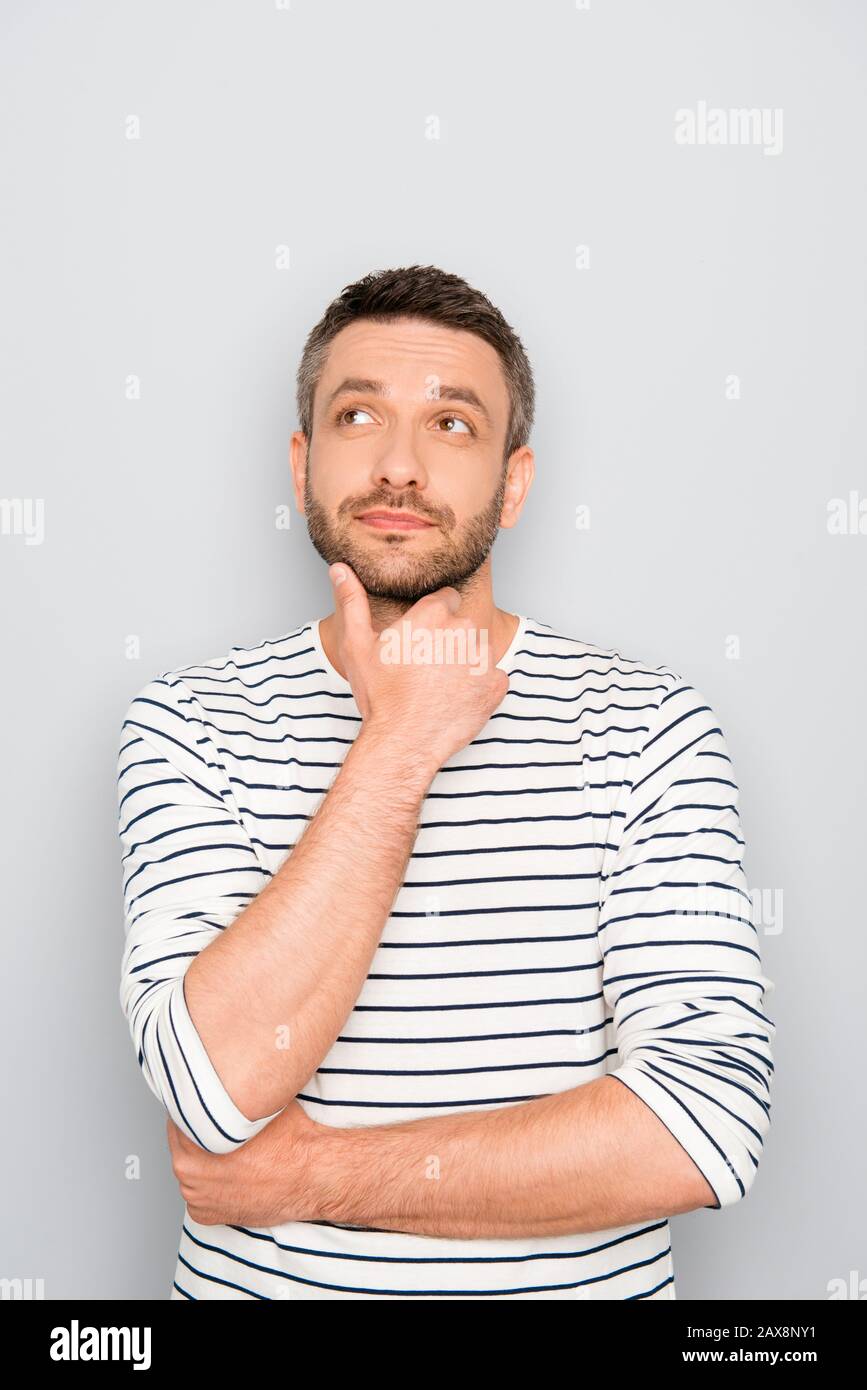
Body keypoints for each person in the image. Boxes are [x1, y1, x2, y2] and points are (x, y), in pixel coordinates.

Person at [116, 264, 775, 1300]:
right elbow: (213, 1089)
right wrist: (400, 746)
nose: (399, 467)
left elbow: (704, 1127)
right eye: (358, 414)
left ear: (514, 482)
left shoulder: (651, 727)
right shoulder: (192, 722)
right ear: (302, 466)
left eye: (452, 425)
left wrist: (316, 1178)